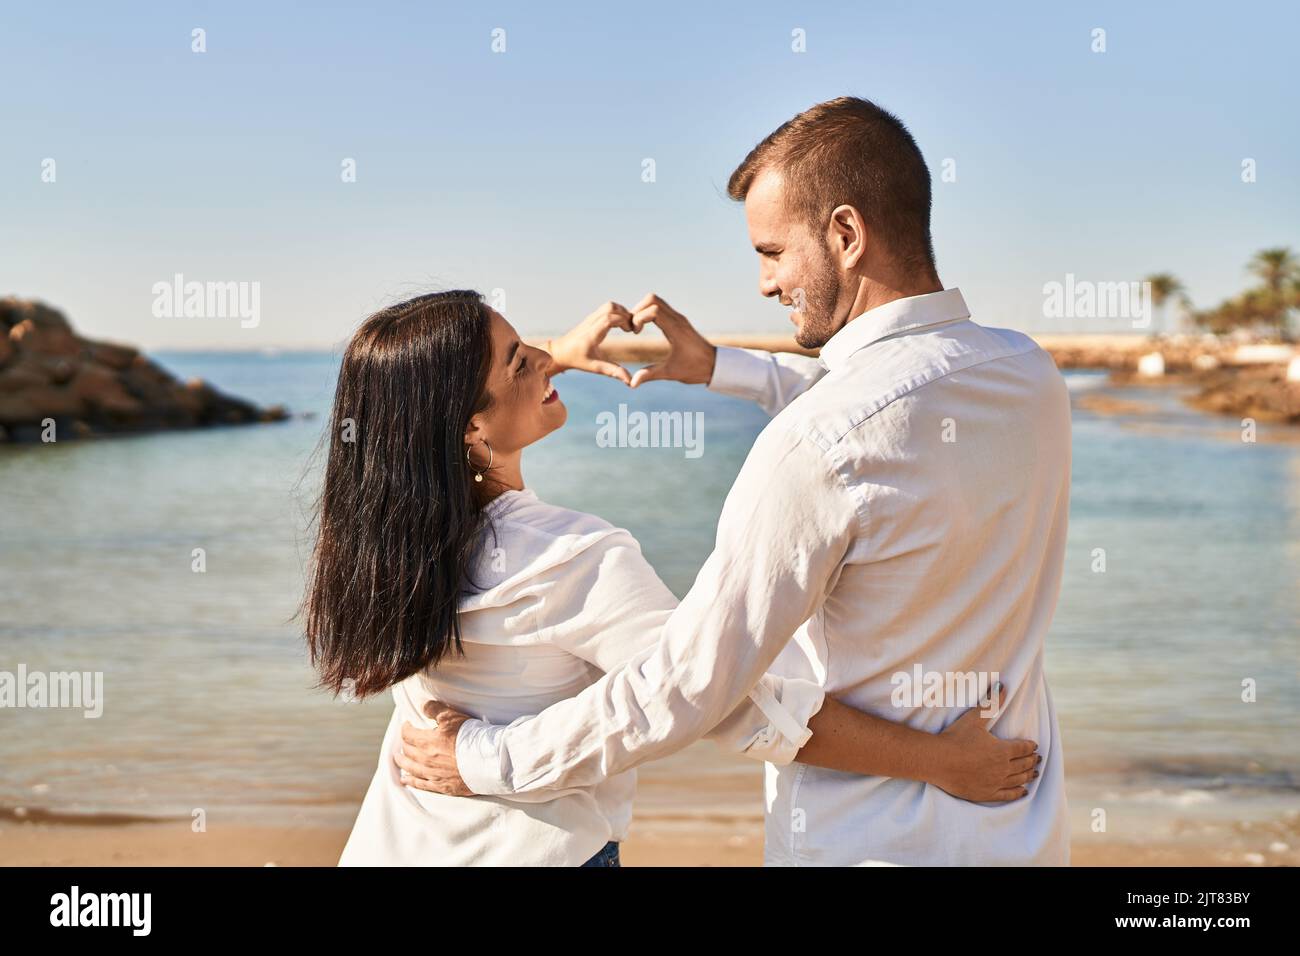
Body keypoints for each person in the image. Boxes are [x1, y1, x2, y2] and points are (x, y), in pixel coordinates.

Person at [395, 96, 1073, 866]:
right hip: (1019, 830)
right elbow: (895, 418)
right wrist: (723, 369)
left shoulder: (815, 447)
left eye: (773, 252)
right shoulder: (1027, 376)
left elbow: (688, 690)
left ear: (846, 235)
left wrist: (484, 761)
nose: (762, 282)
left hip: (866, 845)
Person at [305, 291, 1039, 867]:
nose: (541, 356)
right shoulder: (573, 557)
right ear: (469, 426)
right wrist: (940, 762)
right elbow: (724, 703)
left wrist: (555, 359)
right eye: (519, 361)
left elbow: (444, 411)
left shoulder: (386, 545)